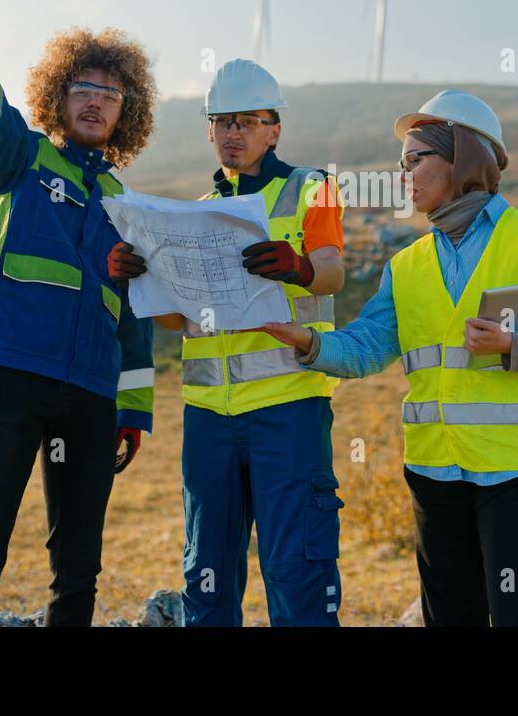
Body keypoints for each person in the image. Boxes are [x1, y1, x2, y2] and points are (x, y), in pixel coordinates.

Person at [261, 89, 518, 626]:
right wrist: (312, 344)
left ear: (464, 157)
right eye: (402, 163)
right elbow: (370, 346)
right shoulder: (406, 265)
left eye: (416, 159)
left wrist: (517, 347)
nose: (405, 174)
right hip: (434, 470)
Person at [0, 2, 157, 626]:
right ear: (60, 96)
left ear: (126, 112)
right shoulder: (24, 160)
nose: (96, 102)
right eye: (84, 89)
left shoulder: (124, 203)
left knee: (78, 573)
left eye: (111, 93)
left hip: (92, 397)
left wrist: (131, 411)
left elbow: (133, 317)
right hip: (11, 375)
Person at [108, 59, 347, 626]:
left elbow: (334, 271)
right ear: (209, 130)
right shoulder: (195, 214)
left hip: (287, 411)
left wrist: (297, 267)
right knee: (206, 570)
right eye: (222, 122)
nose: (233, 133)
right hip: (209, 419)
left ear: (275, 129)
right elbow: (176, 322)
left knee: (297, 568)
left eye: (247, 121)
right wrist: (138, 277)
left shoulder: (309, 189)